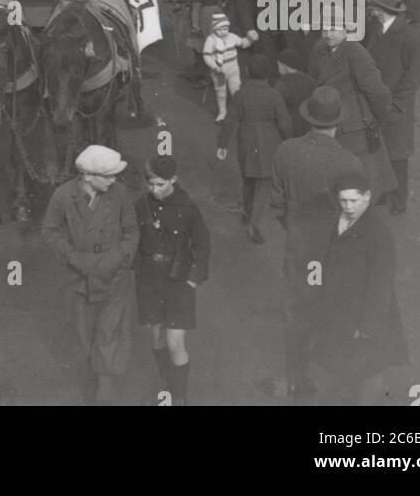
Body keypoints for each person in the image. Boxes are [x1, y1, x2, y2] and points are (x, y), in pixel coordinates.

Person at [269, 86, 362, 400]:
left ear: (308, 118)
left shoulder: (286, 151)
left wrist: (296, 228)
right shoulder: (348, 162)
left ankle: (297, 380)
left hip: (299, 248)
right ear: (338, 121)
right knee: (337, 312)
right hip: (333, 252)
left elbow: (277, 205)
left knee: (297, 313)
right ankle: (339, 386)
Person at [41, 144, 139, 406]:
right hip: (79, 281)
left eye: (114, 175)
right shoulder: (63, 196)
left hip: (114, 278)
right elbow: (50, 231)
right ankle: (91, 379)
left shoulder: (121, 195)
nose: (113, 180)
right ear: (87, 175)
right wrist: (73, 257)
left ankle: (105, 390)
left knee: (108, 334)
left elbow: (132, 231)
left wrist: (117, 259)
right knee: (83, 336)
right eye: (107, 176)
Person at [313, 168, 408, 405]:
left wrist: (368, 327)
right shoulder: (337, 222)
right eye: (343, 200)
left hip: (365, 316)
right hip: (339, 311)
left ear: (367, 196)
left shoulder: (378, 233)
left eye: (354, 200)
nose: (348, 206)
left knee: (369, 371)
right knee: (341, 363)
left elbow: (381, 284)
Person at [135, 154, 209, 406]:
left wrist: (193, 279)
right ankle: (166, 384)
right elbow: (132, 238)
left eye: (160, 184)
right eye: (151, 184)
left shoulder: (187, 207)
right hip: (149, 280)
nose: (154, 189)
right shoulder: (141, 205)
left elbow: (202, 245)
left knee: (175, 341)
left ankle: (180, 398)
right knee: (157, 337)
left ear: (173, 180)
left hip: (178, 280)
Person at [306, 8, 397, 198]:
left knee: (356, 187)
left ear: (346, 30)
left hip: (353, 131)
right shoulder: (320, 50)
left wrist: (374, 122)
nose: (328, 34)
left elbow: (379, 95)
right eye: (324, 29)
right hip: (329, 126)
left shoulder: (356, 54)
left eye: (333, 29)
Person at [363, 0, 420, 215]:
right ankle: (381, 192)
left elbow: (415, 76)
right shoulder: (375, 28)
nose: (371, 9)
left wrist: (397, 104)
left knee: (397, 156)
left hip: (396, 108)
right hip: (377, 104)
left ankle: (398, 201)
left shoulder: (408, 36)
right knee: (379, 151)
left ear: (383, 9)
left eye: (374, 6)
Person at [217, 54, 291, 243]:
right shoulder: (274, 95)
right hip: (268, 142)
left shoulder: (240, 94)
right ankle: (253, 221)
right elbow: (284, 123)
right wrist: (288, 140)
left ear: (247, 71)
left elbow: (229, 120)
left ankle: (247, 212)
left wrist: (222, 144)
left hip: (246, 140)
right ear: (267, 74)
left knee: (248, 178)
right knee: (264, 182)